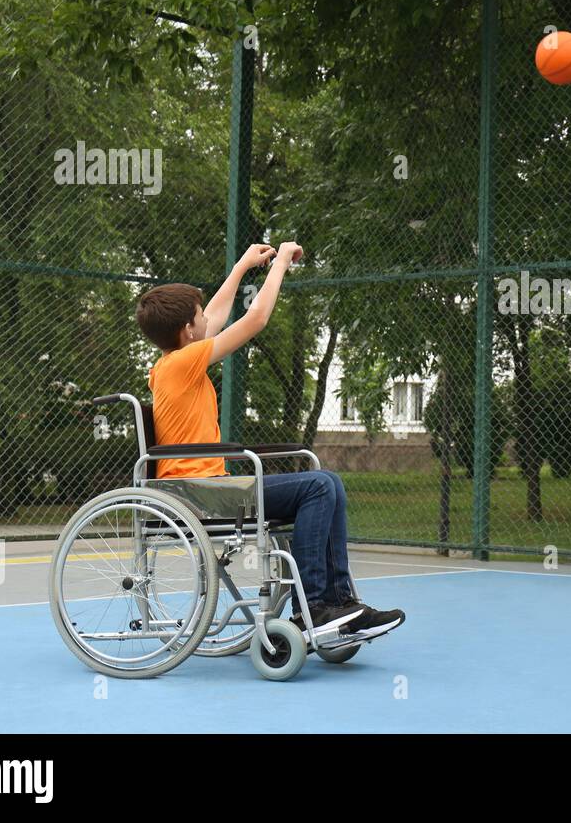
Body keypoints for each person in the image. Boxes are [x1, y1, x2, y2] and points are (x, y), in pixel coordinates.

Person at [135, 240, 405, 644]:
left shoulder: (172, 362)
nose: (206, 320)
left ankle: (340, 602)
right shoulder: (183, 362)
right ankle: (313, 606)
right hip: (199, 496)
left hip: (203, 491)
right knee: (317, 485)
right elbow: (255, 318)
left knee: (328, 481)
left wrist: (242, 267)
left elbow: (216, 315)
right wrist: (280, 262)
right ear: (188, 331)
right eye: (197, 317)